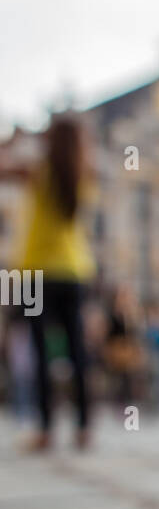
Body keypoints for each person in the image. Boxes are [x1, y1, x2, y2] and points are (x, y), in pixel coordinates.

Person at [9, 115, 95, 449]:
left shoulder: (38, 171)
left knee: (41, 350)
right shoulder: (80, 174)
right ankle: (84, 427)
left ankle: (45, 429)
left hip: (36, 273)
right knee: (77, 350)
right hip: (74, 271)